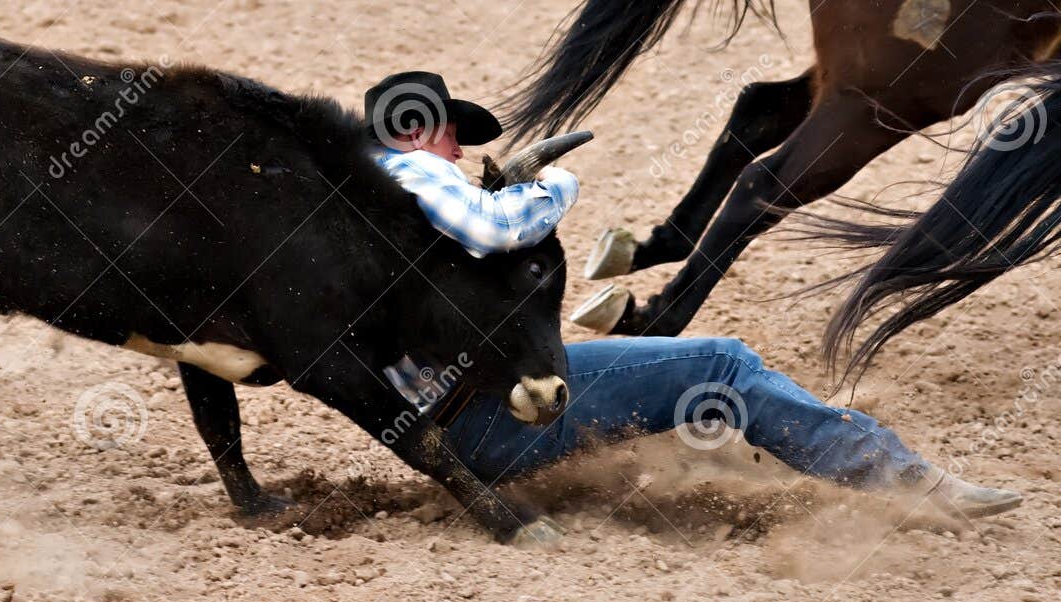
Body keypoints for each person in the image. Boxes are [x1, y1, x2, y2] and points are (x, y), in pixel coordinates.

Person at [362, 71, 1023, 523]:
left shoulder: (351, 216)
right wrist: (552, 186)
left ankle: (778, 454)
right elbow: (490, 224)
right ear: (423, 130)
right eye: (453, 136)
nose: (457, 152)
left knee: (650, 370)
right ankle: (900, 476)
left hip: (444, 430)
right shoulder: (413, 169)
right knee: (721, 363)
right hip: (494, 415)